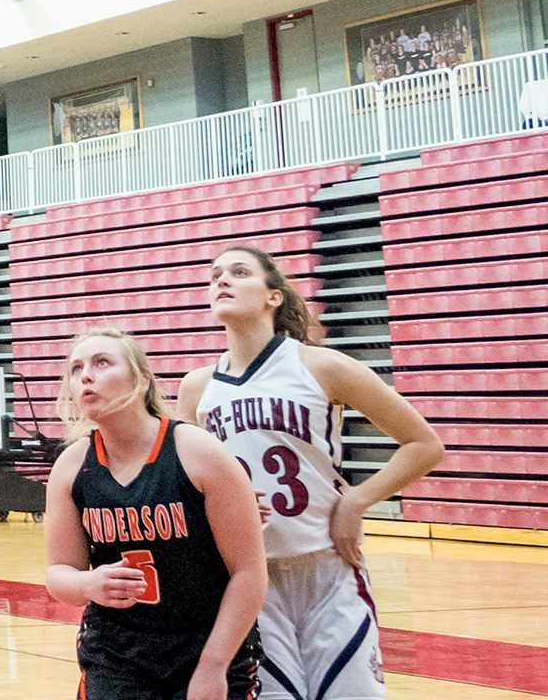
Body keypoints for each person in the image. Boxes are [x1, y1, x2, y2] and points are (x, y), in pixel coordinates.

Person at [177, 246, 446, 700]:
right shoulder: (197, 387)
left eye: (239, 272)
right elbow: (182, 482)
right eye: (215, 274)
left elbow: (424, 445)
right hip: (248, 579)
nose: (222, 280)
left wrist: (357, 500)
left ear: (273, 297)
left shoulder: (320, 366)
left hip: (329, 569)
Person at [44, 329, 266, 700]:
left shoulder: (197, 452)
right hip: (116, 651)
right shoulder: (70, 467)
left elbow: (249, 573)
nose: (85, 375)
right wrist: (88, 584)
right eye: (76, 368)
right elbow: (58, 573)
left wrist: (213, 667)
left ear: (142, 380)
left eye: (102, 363)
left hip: (207, 643)